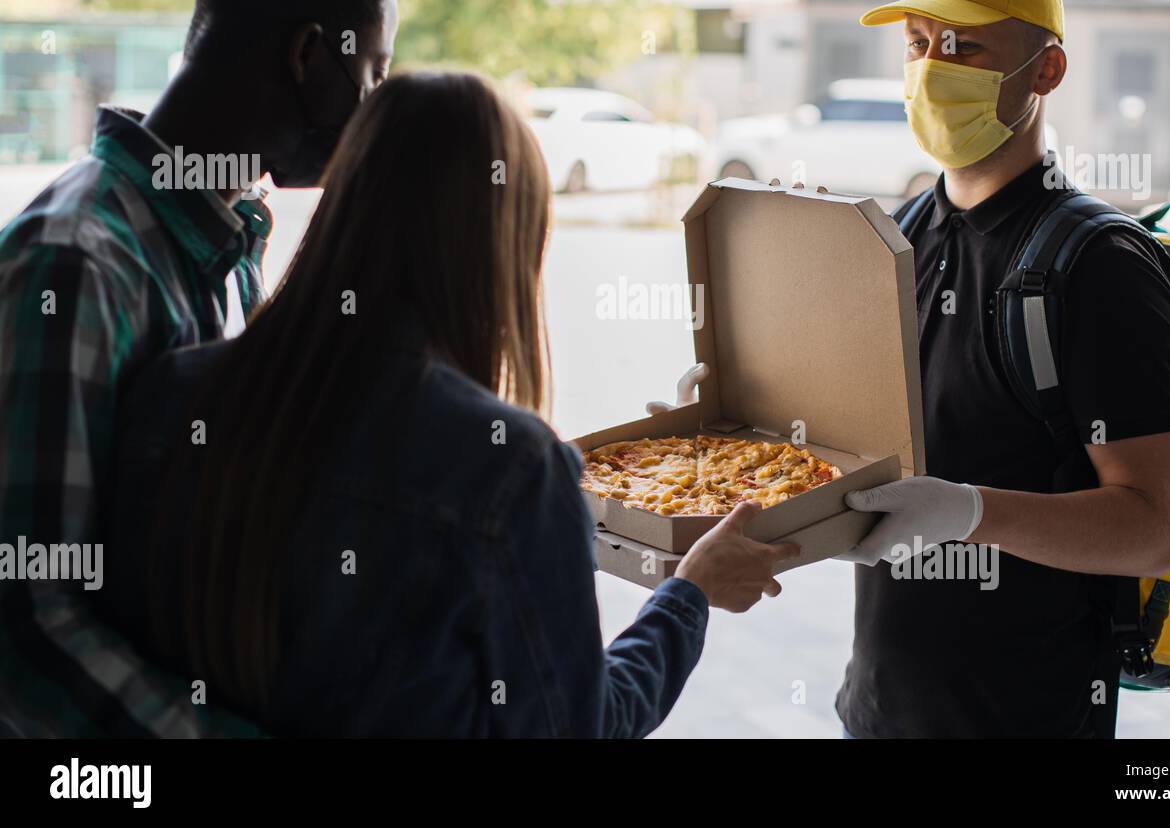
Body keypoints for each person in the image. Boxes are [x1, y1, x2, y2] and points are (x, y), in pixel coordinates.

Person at [98, 70, 797, 737]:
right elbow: (579, 722)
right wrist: (690, 594)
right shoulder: (510, 468)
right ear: (506, 239)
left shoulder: (171, 394)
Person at [661, 0, 1170, 738]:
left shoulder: (1099, 267)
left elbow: (1156, 529)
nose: (932, 69)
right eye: (917, 44)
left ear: (1046, 70)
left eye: (965, 46)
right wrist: (737, 423)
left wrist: (969, 512)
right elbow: (847, 453)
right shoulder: (893, 239)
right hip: (877, 711)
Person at [0, 0, 399, 736]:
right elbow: (27, 622)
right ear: (307, 55)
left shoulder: (221, 235)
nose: (379, 107)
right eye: (376, 73)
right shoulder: (77, 264)